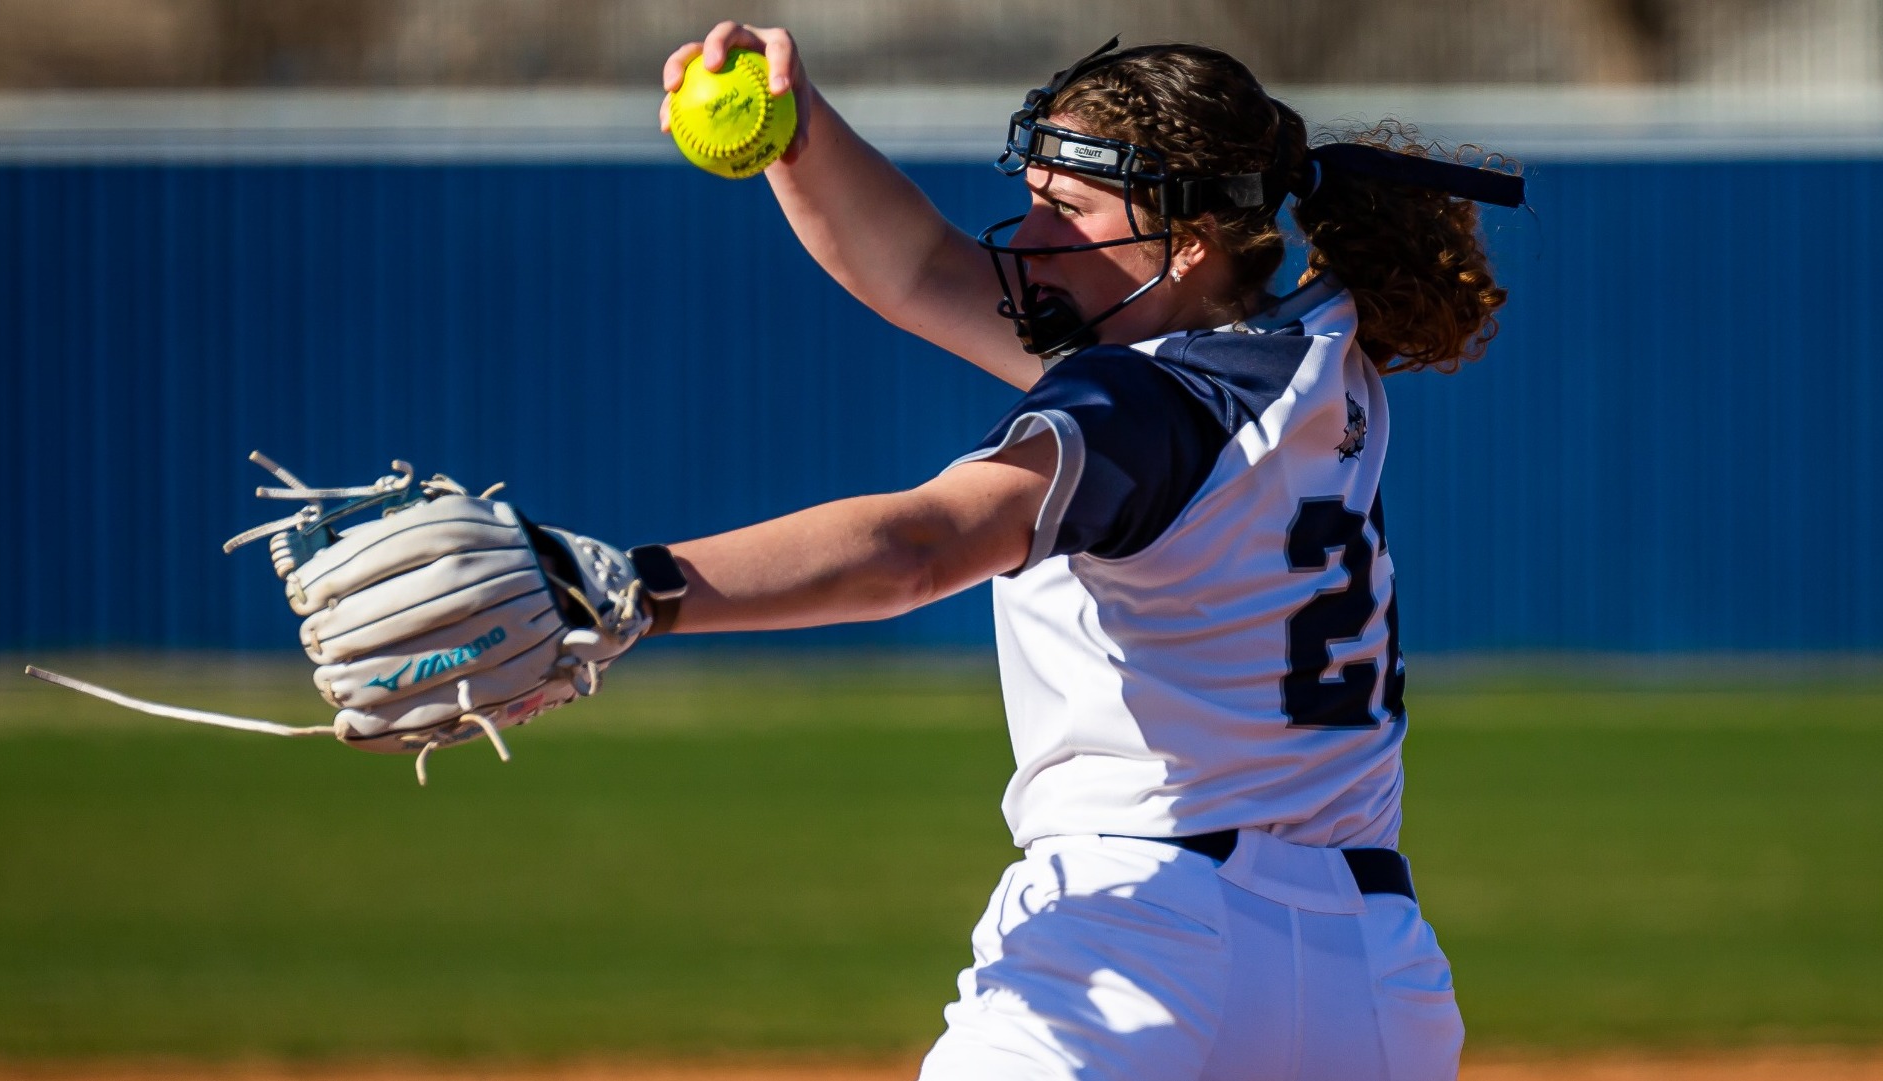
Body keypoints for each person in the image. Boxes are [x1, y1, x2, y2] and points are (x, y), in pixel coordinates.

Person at [639, 22, 1525, 1081]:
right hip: (1374, 981)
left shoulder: (1137, 406)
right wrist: (797, 133)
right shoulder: (1317, 351)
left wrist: (625, 589)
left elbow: (919, 547)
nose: (1027, 228)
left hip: (1142, 946)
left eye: (1071, 207)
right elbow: (921, 268)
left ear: (1188, 242)